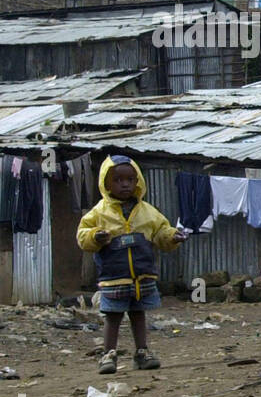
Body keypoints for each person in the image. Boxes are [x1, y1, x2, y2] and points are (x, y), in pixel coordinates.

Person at [76, 155, 187, 374]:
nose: (125, 184)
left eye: (129, 179)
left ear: (138, 182)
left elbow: (160, 231)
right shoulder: (99, 212)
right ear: (106, 184)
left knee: (138, 313)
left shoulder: (147, 211)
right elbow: (82, 235)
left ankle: (142, 352)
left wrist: (173, 236)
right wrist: (95, 236)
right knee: (113, 315)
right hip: (113, 276)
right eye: (118, 180)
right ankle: (108, 355)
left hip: (142, 276)